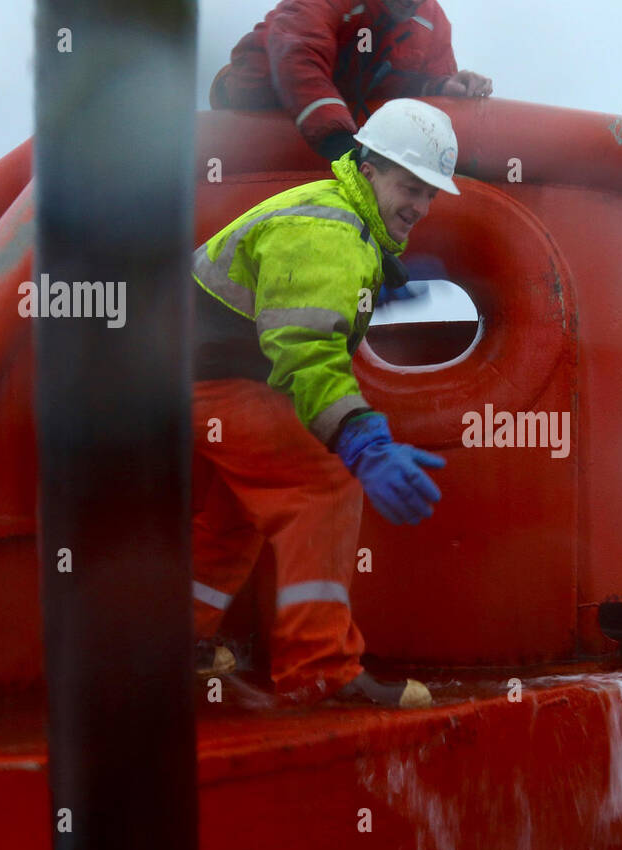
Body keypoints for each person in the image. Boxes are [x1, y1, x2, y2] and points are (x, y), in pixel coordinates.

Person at [189, 98, 460, 709]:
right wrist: (364, 443)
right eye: (408, 185)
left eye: (430, 194)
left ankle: (176, 643)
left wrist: (372, 290)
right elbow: (306, 350)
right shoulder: (328, 231)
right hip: (207, 383)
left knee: (241, 509)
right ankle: (320, 669)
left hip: (192, 375)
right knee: (323, 483)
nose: (419, 205)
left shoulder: (348, 225)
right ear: (367, 169)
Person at [210, 0, 492, 161]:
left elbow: (413, 83)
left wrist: (442, 87)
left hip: (347, 119)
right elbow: (299, 56)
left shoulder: (433, 21)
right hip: (255, 108)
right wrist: (341, 145)